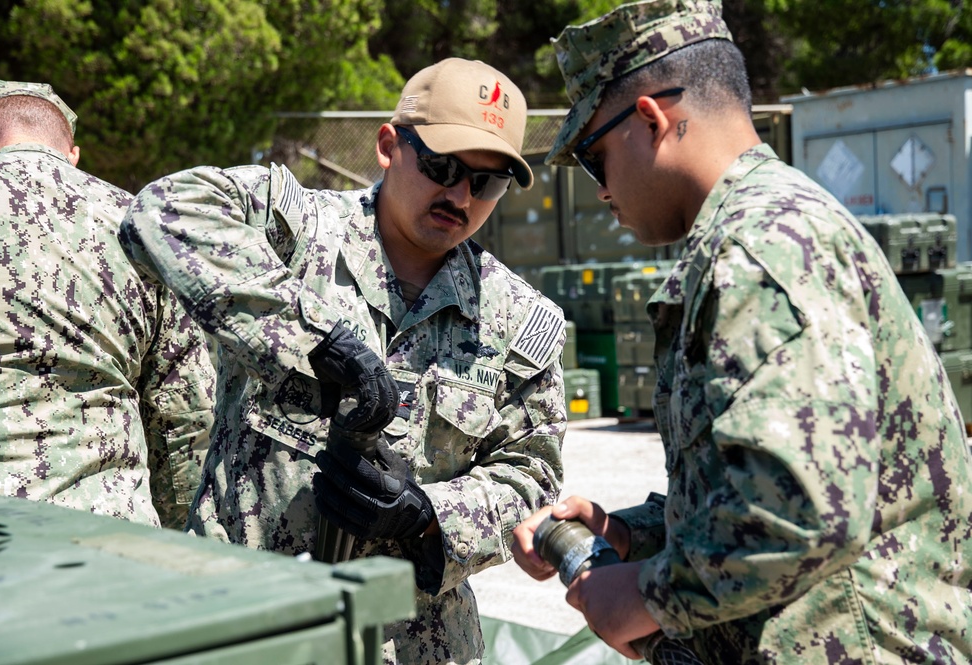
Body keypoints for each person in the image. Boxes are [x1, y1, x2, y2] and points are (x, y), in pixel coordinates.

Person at [512, 2, 972, 663]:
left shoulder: (758, 251)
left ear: (651, 120)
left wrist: (648, 594)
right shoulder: (764, 233)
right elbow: (756, 484)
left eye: (593, 158)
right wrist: (626, 533)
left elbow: (805, 514)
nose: (600, 192)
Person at [119, 57, 567, 665]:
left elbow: (530, 477)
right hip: (247, 623)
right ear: (389, 145)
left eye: (486, 183)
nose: (460, 194)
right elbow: (164, 209)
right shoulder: (296, 232)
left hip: (413, 643)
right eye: (442, 166)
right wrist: (311, 338)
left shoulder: (518, 319)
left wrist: (428, 516)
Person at [0, 80, 217, 530]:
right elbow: (184, 416)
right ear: (74, 155)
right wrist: (183, 536)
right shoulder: (137, 224)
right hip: (103, 534)